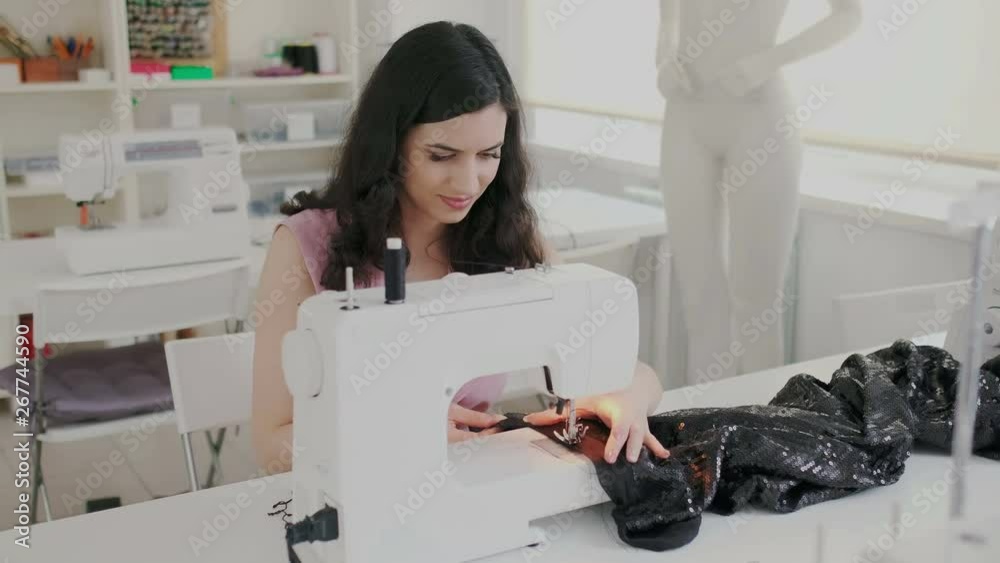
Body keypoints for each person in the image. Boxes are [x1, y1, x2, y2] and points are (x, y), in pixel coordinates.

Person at [252, 21, 669, 474]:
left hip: (471, 475)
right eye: (441, 156)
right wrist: (395, 430)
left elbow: (632, 370)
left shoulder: (508, 236)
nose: (468, 183)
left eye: (489, 155)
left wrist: (628, 397)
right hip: (364, 484)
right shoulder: (305, 246)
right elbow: (272, 445)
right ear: (391, 142)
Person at [656, 0, 861, 384]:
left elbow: (849, 14)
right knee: (700, 302)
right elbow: (669, 15)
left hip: (760, 112)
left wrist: (769, 60)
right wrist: (664, 57)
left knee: (758, 303)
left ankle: (762, 416)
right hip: (685, 111)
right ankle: (703, 415)